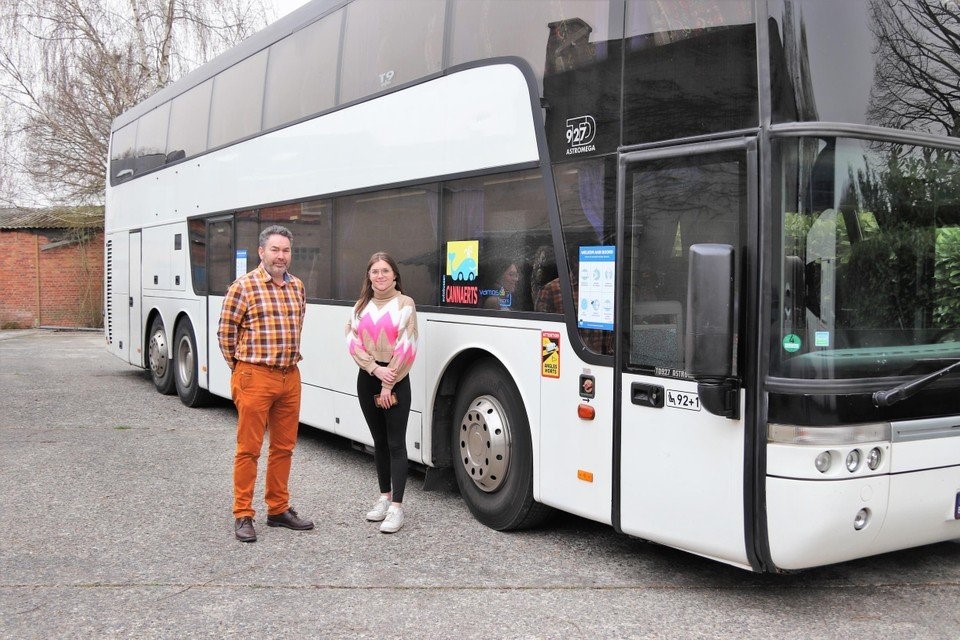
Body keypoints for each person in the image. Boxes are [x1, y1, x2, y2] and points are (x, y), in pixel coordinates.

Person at [218, 225, 314, 543]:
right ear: (261, 252)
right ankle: (243, 514)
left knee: (284, 447)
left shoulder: (297, 287)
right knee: (249, 449)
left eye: (285, 250)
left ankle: (278, 509)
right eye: (275, 249)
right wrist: (240, 370)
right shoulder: (243, 287)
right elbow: (226, 333)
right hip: (254, 375)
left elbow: (298, 325)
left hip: (290, 376)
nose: (280, 256)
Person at [346, 252, 418, 533]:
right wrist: (374, 369)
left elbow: (407, 345)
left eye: (385, 270)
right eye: (375, 271)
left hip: (395, 380)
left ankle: (397, 508)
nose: (380, 276)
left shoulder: (405, 304)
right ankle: (384, 497)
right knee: (379, 441)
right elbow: (352, 341)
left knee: (396, 443)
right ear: (369, 276)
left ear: (395, 275)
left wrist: (388, 382)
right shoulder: (360, 306)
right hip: (368, 379)